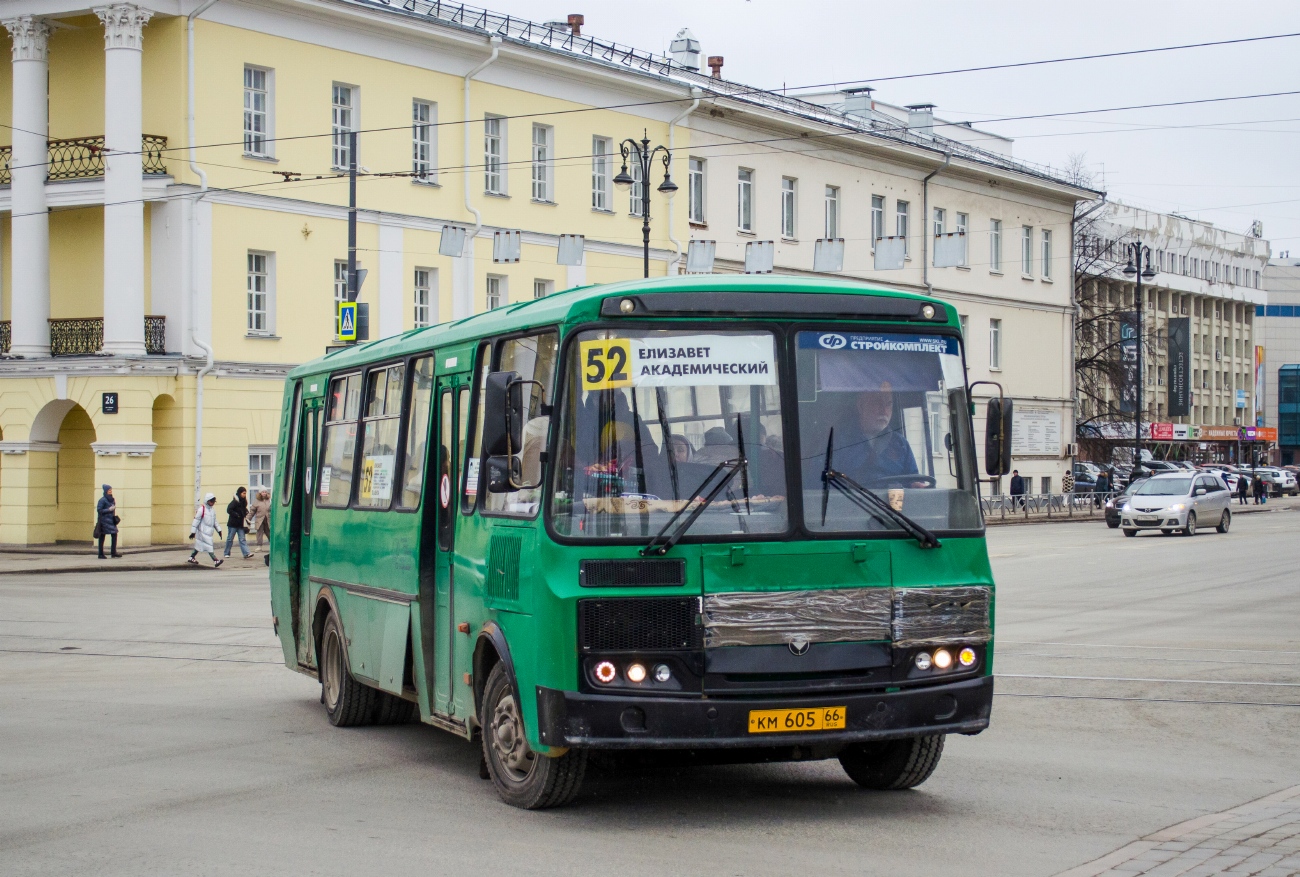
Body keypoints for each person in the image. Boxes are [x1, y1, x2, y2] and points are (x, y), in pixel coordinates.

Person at [831, 381, 922, 487]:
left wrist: (916, 486)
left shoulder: (900, 444)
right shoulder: (840, 441)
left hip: (892, 502)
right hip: (852, 502)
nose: (884, 411)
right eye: (878, 403)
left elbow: (914, 481)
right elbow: (823, 487)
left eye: (888, 404)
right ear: (861, 406)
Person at [189, 494, 224, 567]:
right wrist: (193, 532)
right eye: (211, 501)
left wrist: (219, 530)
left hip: (208, 532)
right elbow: (196, 520)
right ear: (207, 501)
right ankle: (215, 560)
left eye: (214, 501)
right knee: (209, 546)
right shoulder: (201, 509)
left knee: (199, 545)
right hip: (202, 531)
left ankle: (191, 557)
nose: (213, 503)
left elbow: (215, 521)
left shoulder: (212, 510)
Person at [224, 487, 253, 559]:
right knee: (230, 539)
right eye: (243, 493)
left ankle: (246, 553)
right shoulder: (234, 502)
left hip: (240, 524)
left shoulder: (244, 502)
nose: (244, 495)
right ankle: (226, 553)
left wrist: (246, 512)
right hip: (233, 524)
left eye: (245, 493)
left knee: (242, 539)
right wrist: (236, 515)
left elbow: (243, 509)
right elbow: (229, 510)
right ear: (240, 493)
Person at [96, 484, 122, 559]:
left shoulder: (112, 499)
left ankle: (113, 552)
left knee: (114, 534)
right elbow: (99, 510)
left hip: (111, 521)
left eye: (111, 490)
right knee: (102, 537)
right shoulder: (102, 500)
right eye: (109, 490)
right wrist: (109, 510)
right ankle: (100, 554)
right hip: (103, 521)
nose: (110, 491)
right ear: (105, 491)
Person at [247, 488, 271, 553]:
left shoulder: (269, 500)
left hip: (268, 519)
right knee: (259, 533)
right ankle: (259, 546)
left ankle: (272, 545)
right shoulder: (257, 501)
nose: (264, 493)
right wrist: (248, 518)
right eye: (263, 492)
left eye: (265, 492)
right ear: (260, 493)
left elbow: (272, 509)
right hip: (259, 519)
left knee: (269, 532)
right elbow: (252, 511)